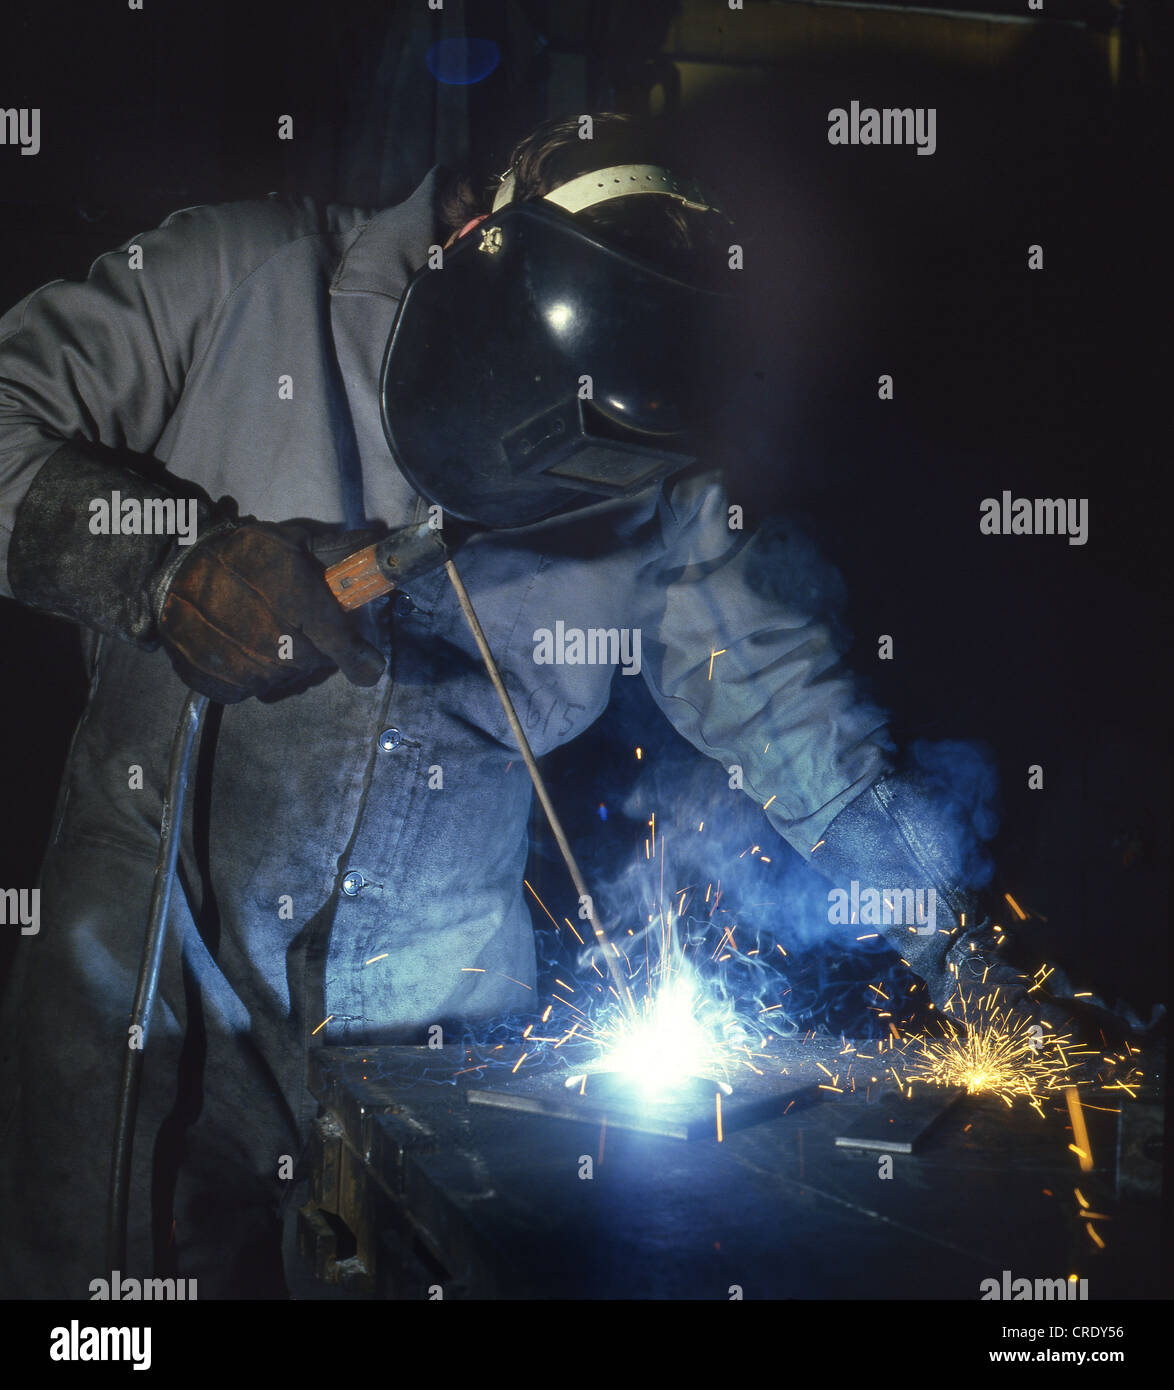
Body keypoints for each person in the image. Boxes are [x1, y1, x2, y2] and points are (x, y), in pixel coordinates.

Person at [0, 113, 1099, 1299]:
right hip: (149, 992)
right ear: (475, 242)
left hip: (439, 1027)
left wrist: (955, 937)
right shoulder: (239, 277)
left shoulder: (656, 427)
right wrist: (170, 563)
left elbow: (785, 712)